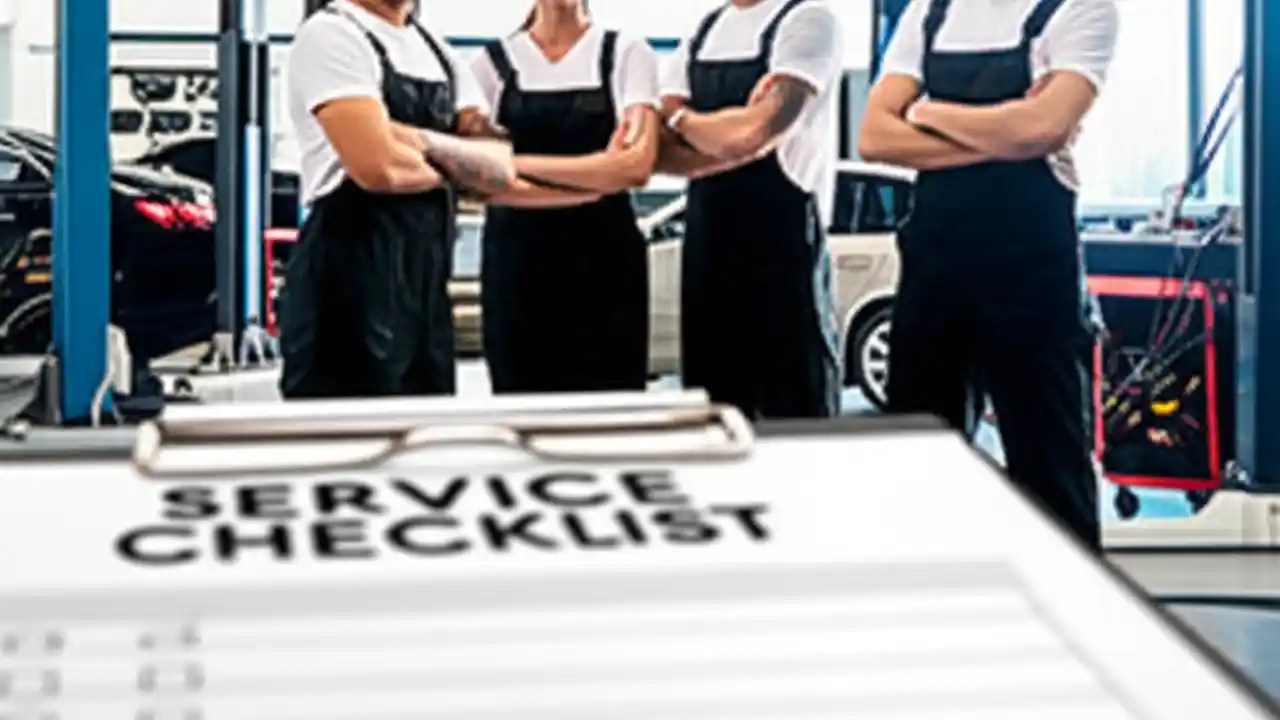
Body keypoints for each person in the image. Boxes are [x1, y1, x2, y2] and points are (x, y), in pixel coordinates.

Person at [859, 0, 1119, 550]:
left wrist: (929, 112)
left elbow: (1043, 127)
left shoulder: (1079, 9)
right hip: (934, 268)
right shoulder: (927, 14)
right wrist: (1004, 134)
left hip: (1033, 273)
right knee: (917, 461)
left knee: (1050, 466)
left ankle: (1070, 620)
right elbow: (875, 138)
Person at [281, 0, 516, 399]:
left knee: (423, 447)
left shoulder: (438, 52)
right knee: (346, 446)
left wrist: (418, 140)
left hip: (426, 297)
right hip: (347, 292)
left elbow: (498, 168)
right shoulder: (332, 35)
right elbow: (380, 168)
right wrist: (457, 166)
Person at [656, 0, 845, 421]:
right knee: (715, 416)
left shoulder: (809, 22)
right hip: (708, 254)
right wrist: (727, 135)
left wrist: (682, 120)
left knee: (797, 413)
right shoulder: (702, 33)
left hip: (783, 254)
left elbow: (755, 132)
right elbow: (659, 152)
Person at [471, 0, 661, 394]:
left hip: (606, 265)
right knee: (521, 404)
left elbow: (635, 169)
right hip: (516, 268)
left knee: (611, 409)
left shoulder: (626, 54)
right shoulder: (489, 65)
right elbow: (477, 178)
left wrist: (514, 164)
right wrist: (597, 173)